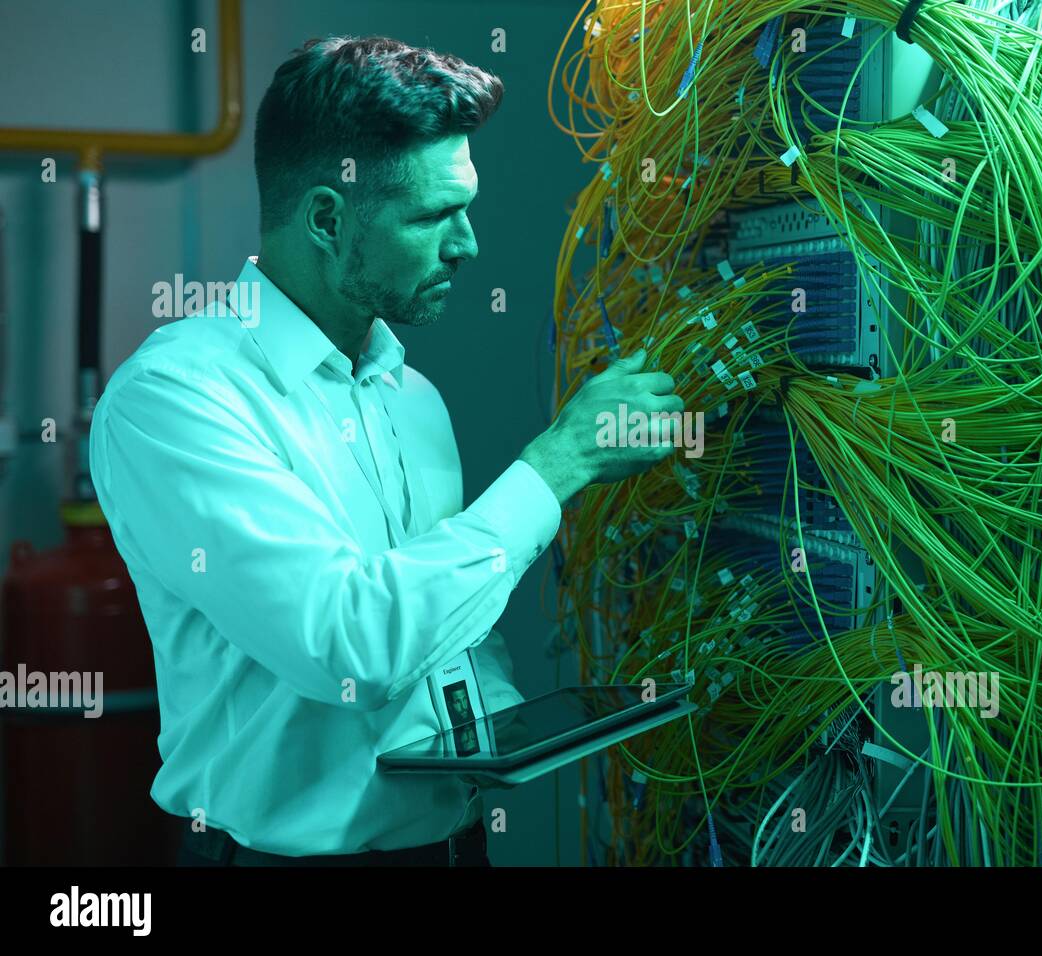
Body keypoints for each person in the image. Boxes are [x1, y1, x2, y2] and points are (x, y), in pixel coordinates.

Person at [88, 35, 682, 867]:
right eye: (436, 216)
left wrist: (501, 724)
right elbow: (348, 644)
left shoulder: (410, 397)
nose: (469, 245)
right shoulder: (176, 401)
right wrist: (559, 464)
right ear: (328, 218)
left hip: (451, 845)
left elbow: (437, 628)